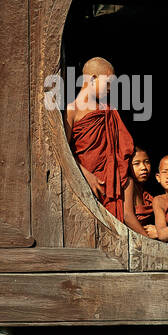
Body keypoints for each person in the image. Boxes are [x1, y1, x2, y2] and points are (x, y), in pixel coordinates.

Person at [66, 57, 136, 221]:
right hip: (85, 180)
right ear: (92, 79)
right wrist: (86, 175)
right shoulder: (72, 110)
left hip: (110, 183)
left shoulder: (107, 111)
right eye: (108, 83)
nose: (111, 88)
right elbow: (64, 151)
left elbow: (123, 148)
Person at [122, 146, 158, 238]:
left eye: (147, 162)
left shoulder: (144, 189)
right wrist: (146, 238)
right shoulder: (129, 182)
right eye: (136, 163)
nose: (143, 167)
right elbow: (127, 216)